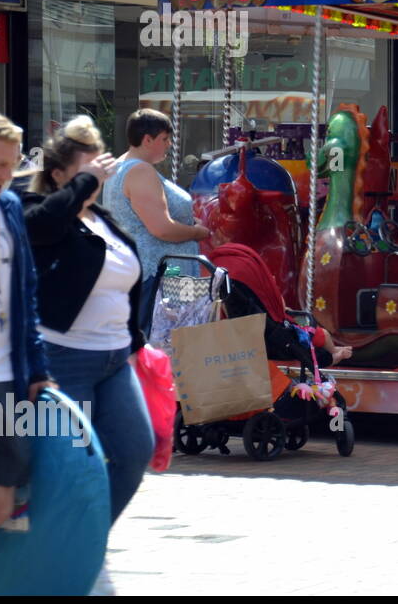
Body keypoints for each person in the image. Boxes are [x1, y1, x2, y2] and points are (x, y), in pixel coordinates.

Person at [20, 115, 153, 534]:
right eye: (87, 171)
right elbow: (39, 226)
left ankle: (84, 544)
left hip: (114, 361)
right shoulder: (38, 213)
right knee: (69, 465)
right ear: (59, 174)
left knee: (134, 454)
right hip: (63, 360)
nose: (97, 181)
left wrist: (135, 341)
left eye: (100, 170)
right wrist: (81, 185)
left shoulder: (103, 221)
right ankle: (47, 551)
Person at [0, 111, 52, 535]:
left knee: (2, 498)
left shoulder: (10, 207)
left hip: (6, 376)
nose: (8, 174)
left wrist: (38, 368)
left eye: (12, 164)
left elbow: (27, 290)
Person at [104, 110, 210, 334]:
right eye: (164, 139)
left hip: (150, 272)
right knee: (167, 344)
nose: (169, 144)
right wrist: (197, 232)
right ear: (147, 140)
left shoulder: (120, 166)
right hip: (160, 277)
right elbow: (161, 229)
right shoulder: (140, 171)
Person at [212, 243, 352, 369]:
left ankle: (334, 352)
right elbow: (279, 308)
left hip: (250, 338)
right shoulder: (256, 301)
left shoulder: (228, 300)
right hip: (273, 336)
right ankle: (333, 355)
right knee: (321, 335)